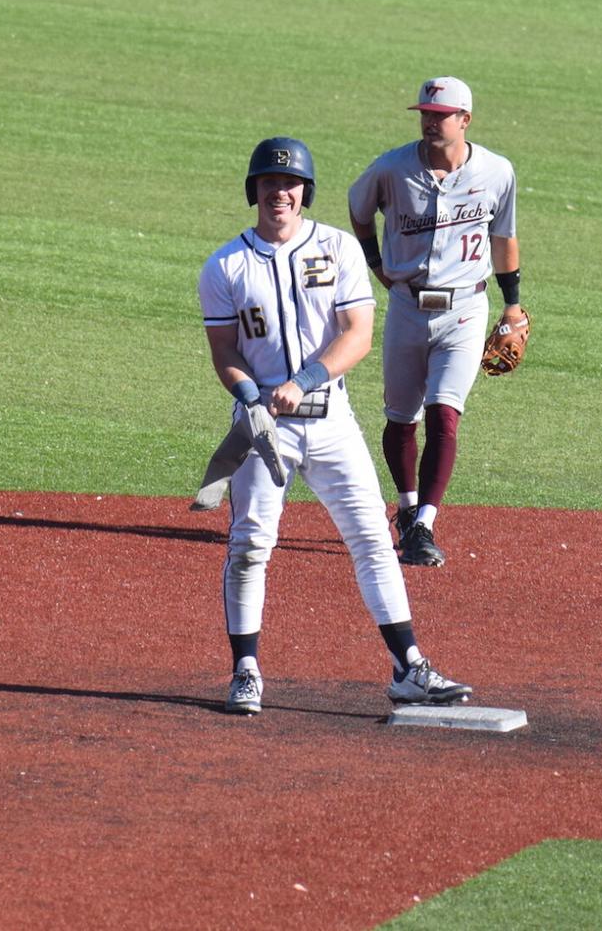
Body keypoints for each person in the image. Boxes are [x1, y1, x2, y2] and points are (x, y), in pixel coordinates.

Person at [198, 135, 473, 715]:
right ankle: (245, 671)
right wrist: (250, 395)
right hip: (260, 428)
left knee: (373, 539)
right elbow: (224, 348)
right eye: (270, 184)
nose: (281, 193)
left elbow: (357, 335)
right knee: (250, 546)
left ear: (306, 192)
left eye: (291, 184)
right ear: (255, 191)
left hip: (331, 424)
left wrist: (303, 381)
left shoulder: (340, 248)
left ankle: (408, 667)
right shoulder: (225, 264)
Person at [349, 76, 526, 568]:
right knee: (400, 417)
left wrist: (512, 306)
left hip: (467, 309)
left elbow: (504, 238)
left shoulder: (496, 172)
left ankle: (424, 523)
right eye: (425, 113)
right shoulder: (391, 168)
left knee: (444, 413)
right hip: (406, 305)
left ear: (464, 120)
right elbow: (358, 209)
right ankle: (405, 509)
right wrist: (376, 264)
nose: (430, 121)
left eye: (441, 114)